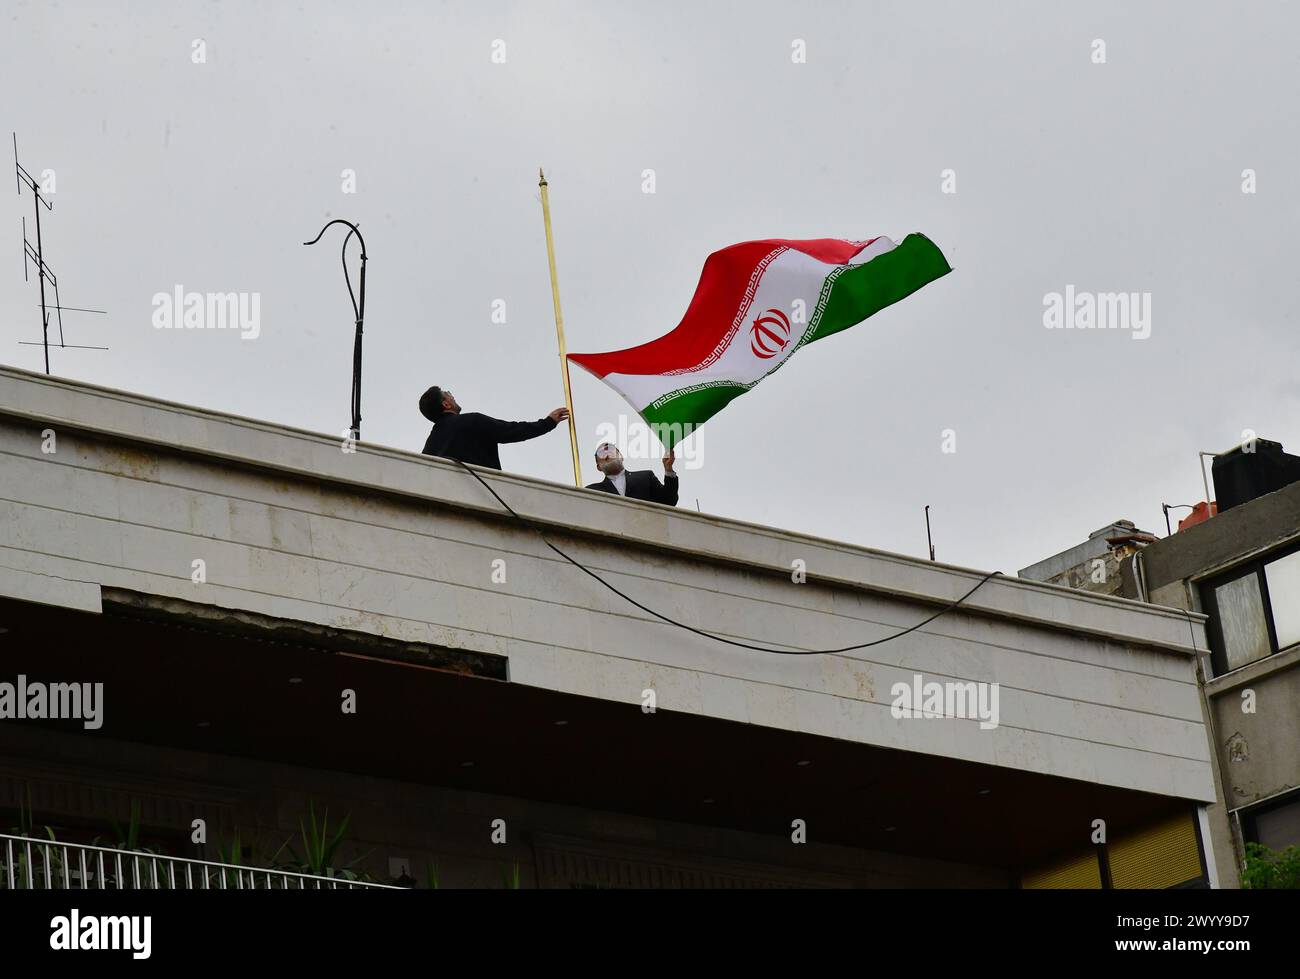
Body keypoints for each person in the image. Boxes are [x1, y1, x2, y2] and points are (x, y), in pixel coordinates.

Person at [419, 386, 569, 470]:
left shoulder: (429, 447)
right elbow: (510, 431)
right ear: (446, 404)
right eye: (448, 394)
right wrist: (548, 422)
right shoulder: (472, 421)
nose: (452, 396)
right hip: (485, 495)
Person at [584, 442, 678, 506]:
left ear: (621, 457)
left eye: (610, 449)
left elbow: (669, 501)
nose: (607, 453)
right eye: (601, 453)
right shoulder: (591, 492)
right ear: (599, 467)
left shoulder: (646, 478)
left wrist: (668, 469)